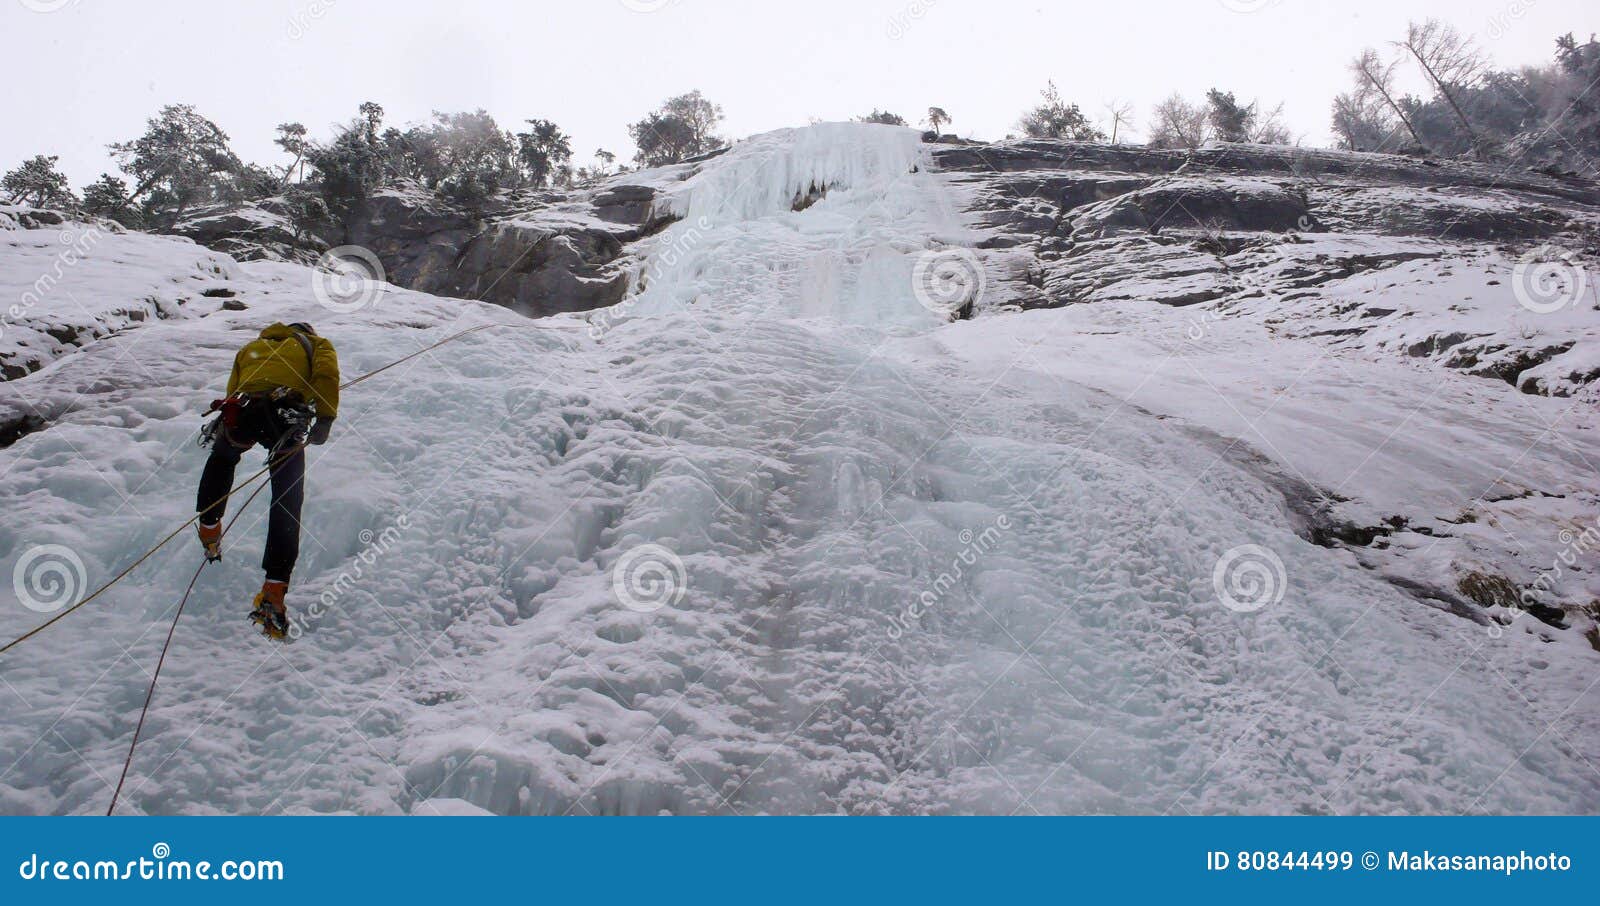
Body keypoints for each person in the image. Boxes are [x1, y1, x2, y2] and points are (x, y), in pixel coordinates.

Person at [196, 322, 338, 639]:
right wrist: (326, 417)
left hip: (241, 409)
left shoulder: (250, 348)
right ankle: (273, 591)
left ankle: (209, 528)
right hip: (283, 415)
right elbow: (326, 376)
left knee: (222, 458)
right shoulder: (317, 344)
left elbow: (233, 387)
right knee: (287, 497)